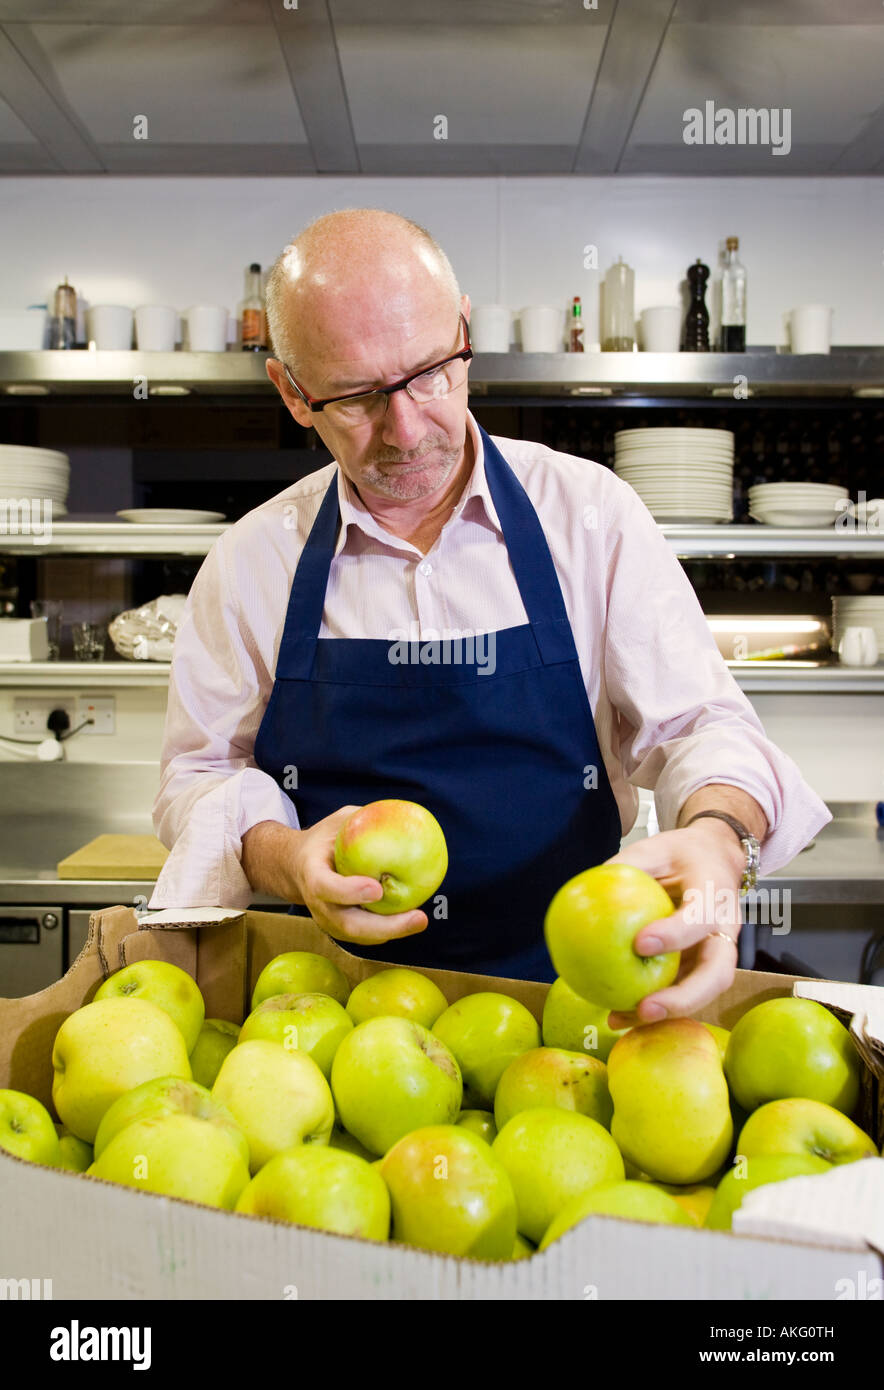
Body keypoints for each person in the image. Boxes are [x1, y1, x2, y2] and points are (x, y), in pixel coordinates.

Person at [149, 207, 831, 1029]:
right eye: (359, 396)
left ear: (464, 330)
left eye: (432, 371)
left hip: (569, 1008)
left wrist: (721, 839)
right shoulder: (255, 561)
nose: (407, 430)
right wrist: (285, 857)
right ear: (293, 393)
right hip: (322, 1024)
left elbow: (702, 726)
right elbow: (200, 777)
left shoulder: (591, 517)